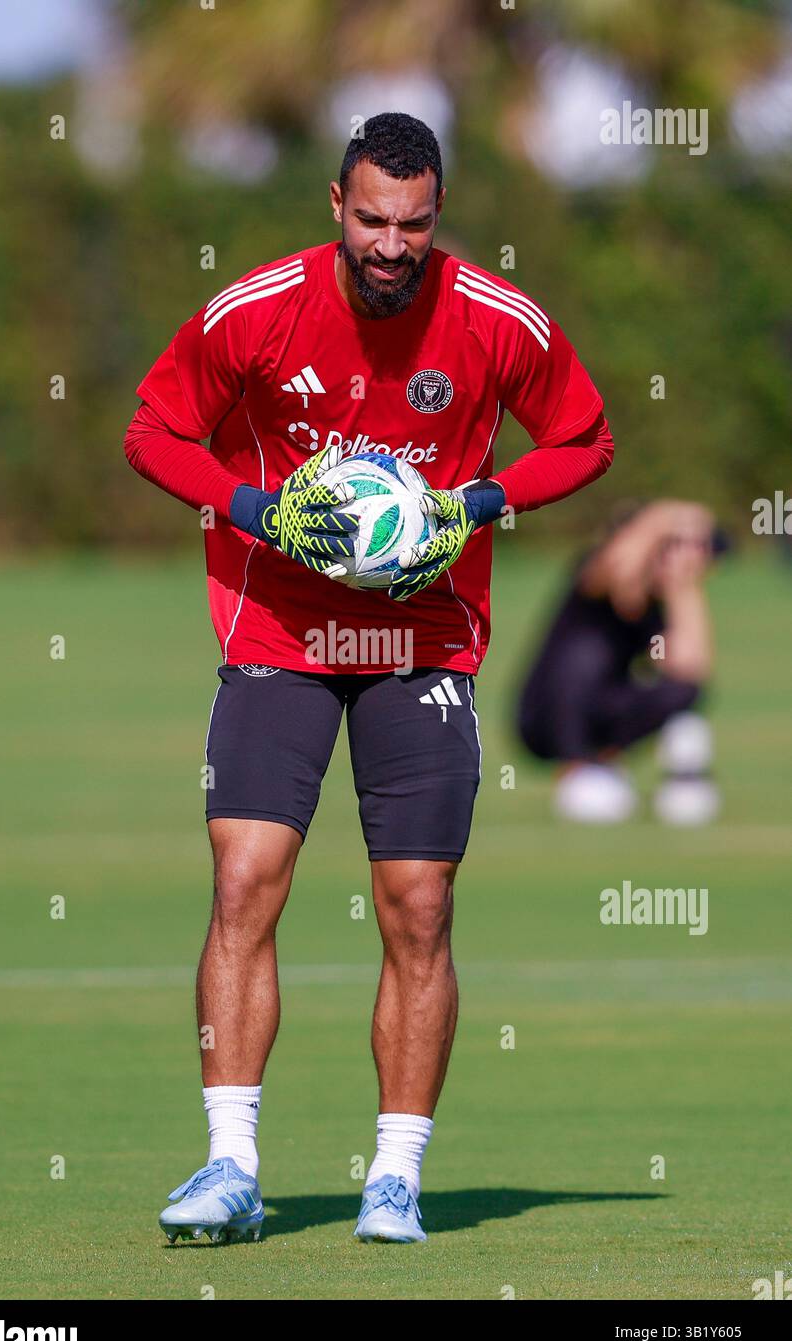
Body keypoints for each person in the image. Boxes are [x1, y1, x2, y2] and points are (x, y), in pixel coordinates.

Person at [124, 112, 613, 1245]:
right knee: (244, 880)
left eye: (415, 224)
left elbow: (582, 438)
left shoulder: (494, 318)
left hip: (422, 639)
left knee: (418, 904)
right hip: (279, 630)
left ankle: (392, 1176)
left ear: (436, 216)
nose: (392, 245)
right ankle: (229, 1165)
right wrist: (252, 508)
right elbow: (154, 431)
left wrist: (471, 502)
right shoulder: (254, 310)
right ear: (334, 209)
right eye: (372, 221)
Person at [516, 501, 726, 825]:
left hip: (604, 710)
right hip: (545, 716)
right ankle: (577, 766)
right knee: (586, 655)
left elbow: (688, 668)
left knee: (682, 691)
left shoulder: (661, 601)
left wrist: (682, 585)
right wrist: (664, 520)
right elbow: (617, 565)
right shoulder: (596, 571)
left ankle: (606, 764)